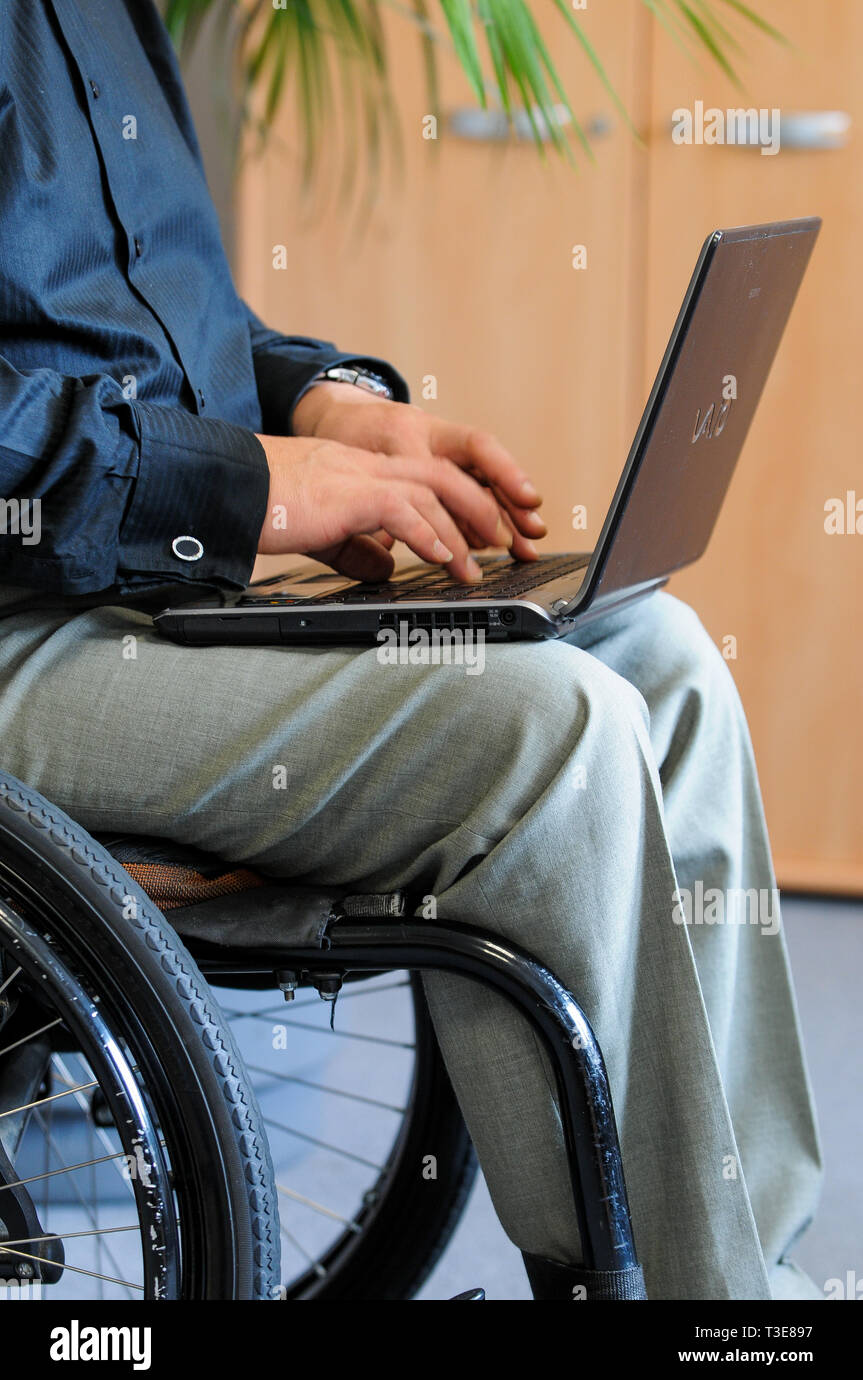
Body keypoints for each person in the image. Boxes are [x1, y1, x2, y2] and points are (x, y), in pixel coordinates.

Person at [0, 0, 822, 1299]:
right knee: (551, 727)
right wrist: (248, 488)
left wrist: (336, 406)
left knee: (659, 655)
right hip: (22, 637)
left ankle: (748, 1276)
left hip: (146, 580)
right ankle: (684, 1302)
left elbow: (163, 326)